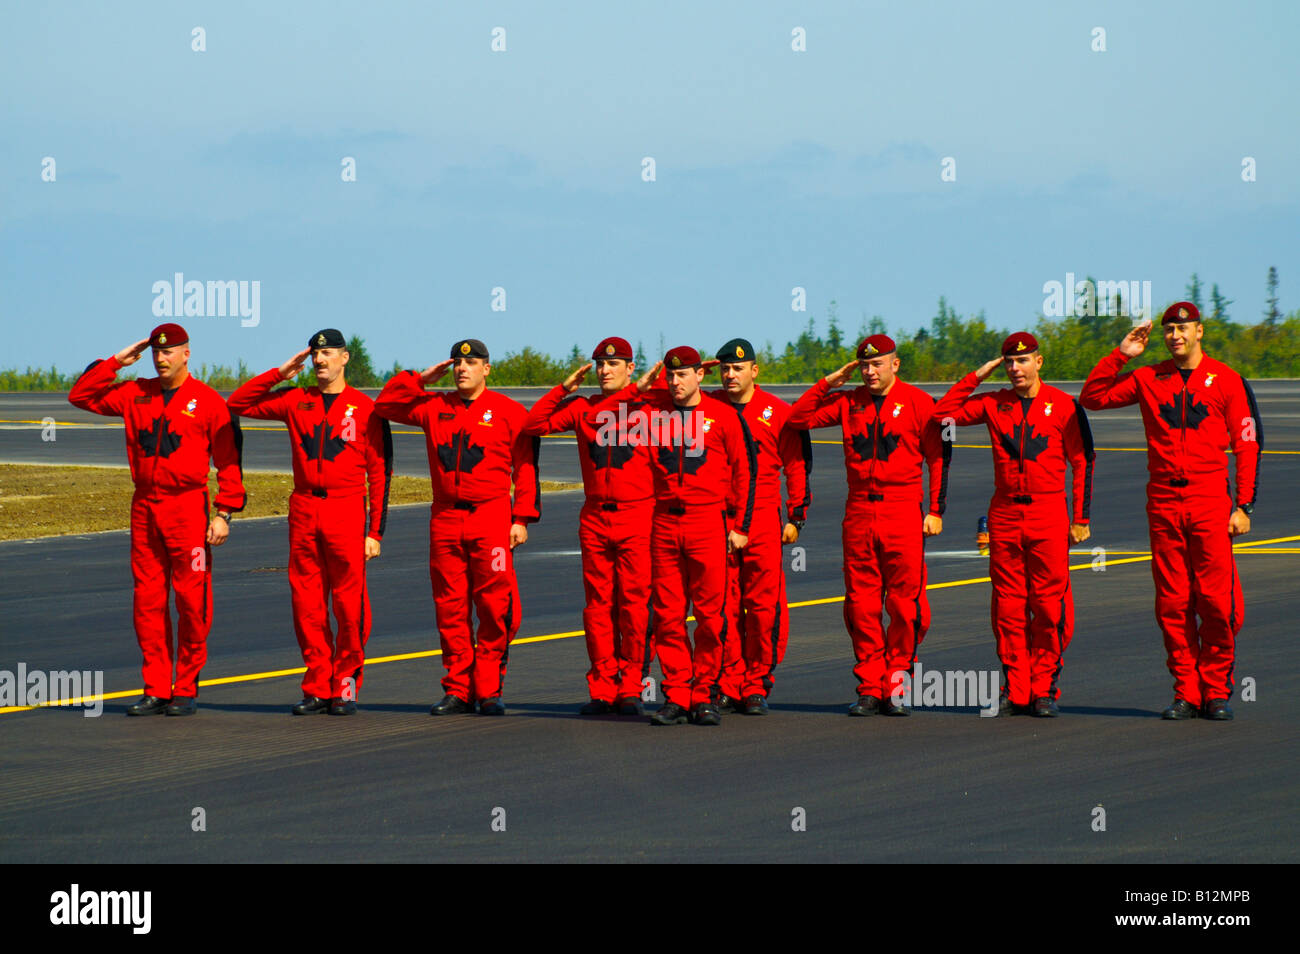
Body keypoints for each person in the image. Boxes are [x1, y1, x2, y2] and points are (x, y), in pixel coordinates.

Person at [1080, 302, 1261, 720]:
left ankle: (1216, 691)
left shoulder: (1227, 380)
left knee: (1218, 601)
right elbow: (1093, 397)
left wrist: (1244, 503)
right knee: (1173, 601)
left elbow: (1247, 442)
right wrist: (1122, 354)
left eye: (1183, 329)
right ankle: (1186, 690)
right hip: (1163, 501)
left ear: (1200, 332)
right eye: (1168, 331)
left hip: (1210, 499)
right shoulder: (1149, 377)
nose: (1175, 336)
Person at [68, 324, 246, 716]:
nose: (161, 358)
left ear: (187, 353)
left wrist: (224, 513)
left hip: (189, 508)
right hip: (145, 507)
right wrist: (116, 362)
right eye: (155, 353)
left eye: (170, 352)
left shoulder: (209, 402)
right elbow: (80, 396)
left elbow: (229, 461)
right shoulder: (136, 393)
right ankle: (155, 687)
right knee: (147, 601)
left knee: (190, 600)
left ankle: (185, 687)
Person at [227, 329, 392, 716]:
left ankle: (346, 687)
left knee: (349, 604)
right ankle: (318, 685)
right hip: (304, 509)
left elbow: (381, 473)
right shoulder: (296, 400)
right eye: (315, 354)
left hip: (347, 509)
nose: (320, 361)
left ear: (345, 358)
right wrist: (279, 374)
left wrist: (375, 531)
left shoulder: (365, 409)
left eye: (328, 353)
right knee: (307, 602)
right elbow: (238, 403)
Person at [932, 332, 1094, 717]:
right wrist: (977, 376)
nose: (1015, 368)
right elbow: (942, 415)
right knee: (1008, 605)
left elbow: (1083, 460)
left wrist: (1081, 517)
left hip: (1048, 512)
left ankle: (1044, 688)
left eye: (1023, 361)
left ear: (1039, 362)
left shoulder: (1064, 406)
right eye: (1009, 362)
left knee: (1049, 605)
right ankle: (1016, 688)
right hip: (1004, 514)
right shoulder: (993, 403)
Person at [375, 339, 539, 716]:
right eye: (457, 363)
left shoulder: (509, 411)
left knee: (495, 606)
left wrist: (521, 518)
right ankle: (458, 688)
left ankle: (489, 688)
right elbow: (385, 405)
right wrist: (420, 378)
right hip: (445, 518)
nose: (463, 368)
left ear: (487, 368)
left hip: (491, 516)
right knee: (449, 606)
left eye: (471, 362)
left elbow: (526, 466)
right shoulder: (435, 407)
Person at [593, 346, 756, 725]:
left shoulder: (724, 417)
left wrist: (741, 526)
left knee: (710, 616)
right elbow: (619, 400)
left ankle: (705, 695)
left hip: (708, 523)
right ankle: (677, 694)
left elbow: (746, 473)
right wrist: (646, 384)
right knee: (667, 615)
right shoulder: (654, 412)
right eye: (670, 375)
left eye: (684, 375)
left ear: (701, 375)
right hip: (664, 524)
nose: (676, 382)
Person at [788, 335, 948, 716]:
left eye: (877, 365)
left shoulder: (919, 403)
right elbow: (797, 419)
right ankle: (869, 686)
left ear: (896, 364)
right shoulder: (849, 402)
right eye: (864, 366)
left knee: (905, 605)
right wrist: (830, 383)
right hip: (859, 510)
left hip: (903, 510)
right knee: (861, 605)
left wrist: (936, 509)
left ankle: (897, 682)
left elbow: (939, 457)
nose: (870, 372)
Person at [523, 337, 655, 716]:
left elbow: (683, 389)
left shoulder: (647, 404)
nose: (605, 371)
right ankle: (602, 688)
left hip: (638, 514)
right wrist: (564, 388)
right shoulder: (582, 407)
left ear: (630, 368)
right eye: (600, 365)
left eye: (614, 364)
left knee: (633, 605)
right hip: (596, 516)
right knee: (597, 608)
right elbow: (534, 425)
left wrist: (639, 390)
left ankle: (632, 687)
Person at [708, 338, 811, 715]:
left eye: (738, 368)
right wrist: (698, 370)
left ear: (755, 370)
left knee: (764, 605)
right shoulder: (709, 406)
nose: (730, 375)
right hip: (719, 515)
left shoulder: (778, 412)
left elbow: (797, 464)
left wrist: (796, 515)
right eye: (724, 369)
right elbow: (665, 388)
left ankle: (756, 683)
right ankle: (728, 681)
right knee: (723, 604)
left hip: (765, 516)